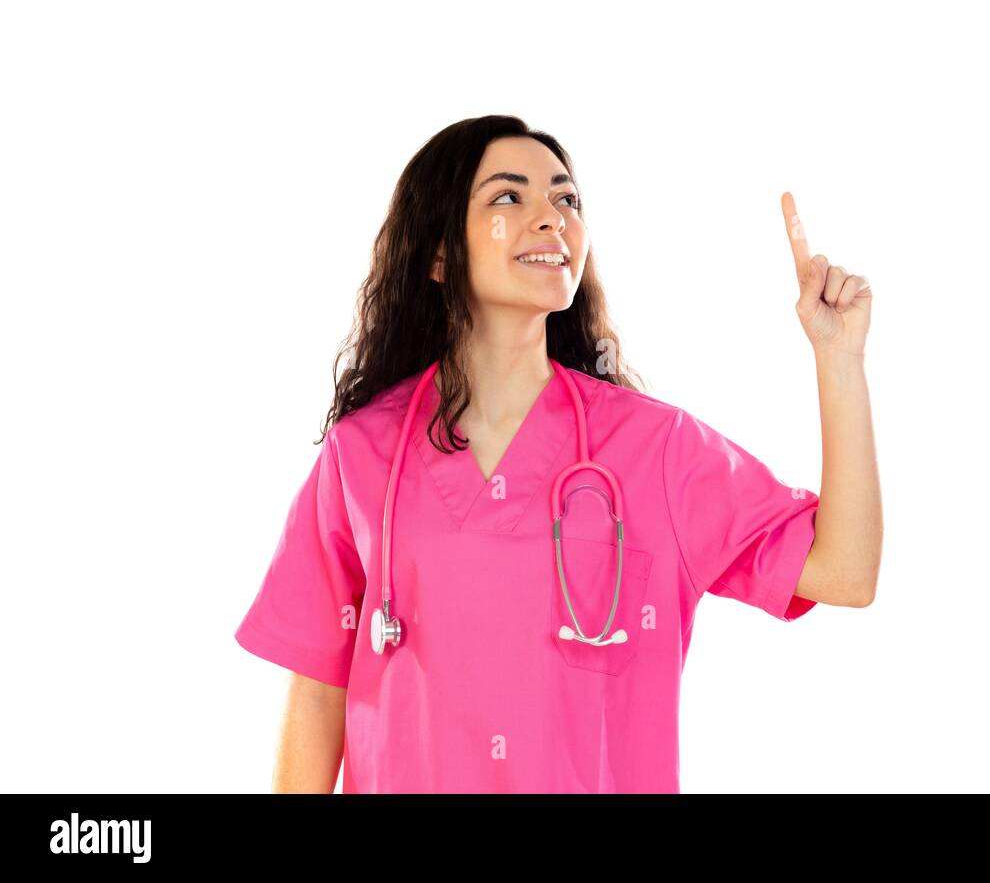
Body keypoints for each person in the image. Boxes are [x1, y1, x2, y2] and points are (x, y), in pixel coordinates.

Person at [234, 114, 883, 793]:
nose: (552, 218)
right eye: (509, 197)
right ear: (439, 254)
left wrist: (840, 362)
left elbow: (843, 572)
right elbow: (317, 695)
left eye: (566, 199)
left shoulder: (655, 450)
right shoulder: (362, 457)